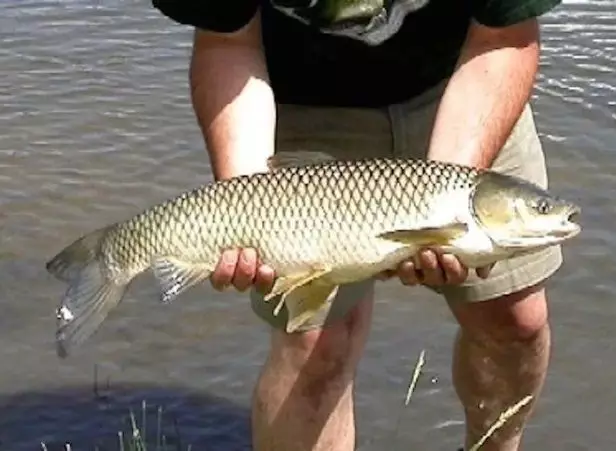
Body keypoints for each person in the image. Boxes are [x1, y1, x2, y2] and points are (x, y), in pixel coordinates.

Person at [151, 1, 563, 450]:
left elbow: (504, 36)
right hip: (291, 89)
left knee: (516, 322)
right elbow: (226, 41)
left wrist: (438, 207)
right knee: (314, 344)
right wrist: (244, 209)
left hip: (466, 73)